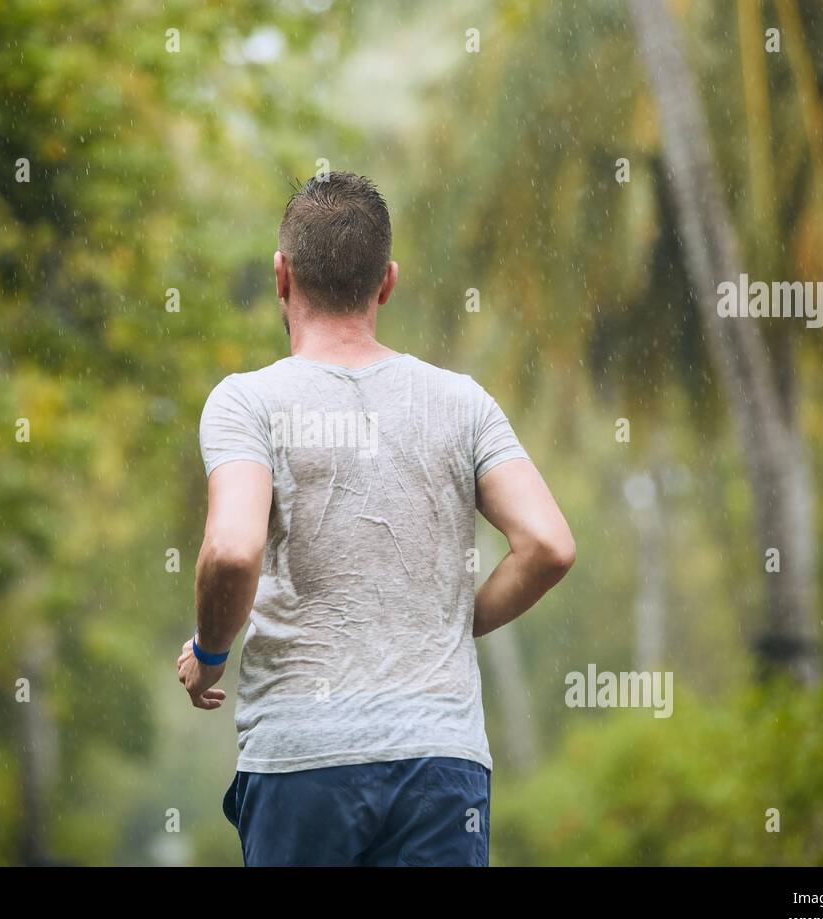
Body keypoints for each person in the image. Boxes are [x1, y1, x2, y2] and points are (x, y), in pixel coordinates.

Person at [176, 171, 575, 866]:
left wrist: (211, 654)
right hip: (439, 762)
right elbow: (547, 545)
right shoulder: (462, 402)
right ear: (386, 282)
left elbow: (233, 552)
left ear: (282, 274)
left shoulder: (249, 402)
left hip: (302, 759)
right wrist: (457, 618)